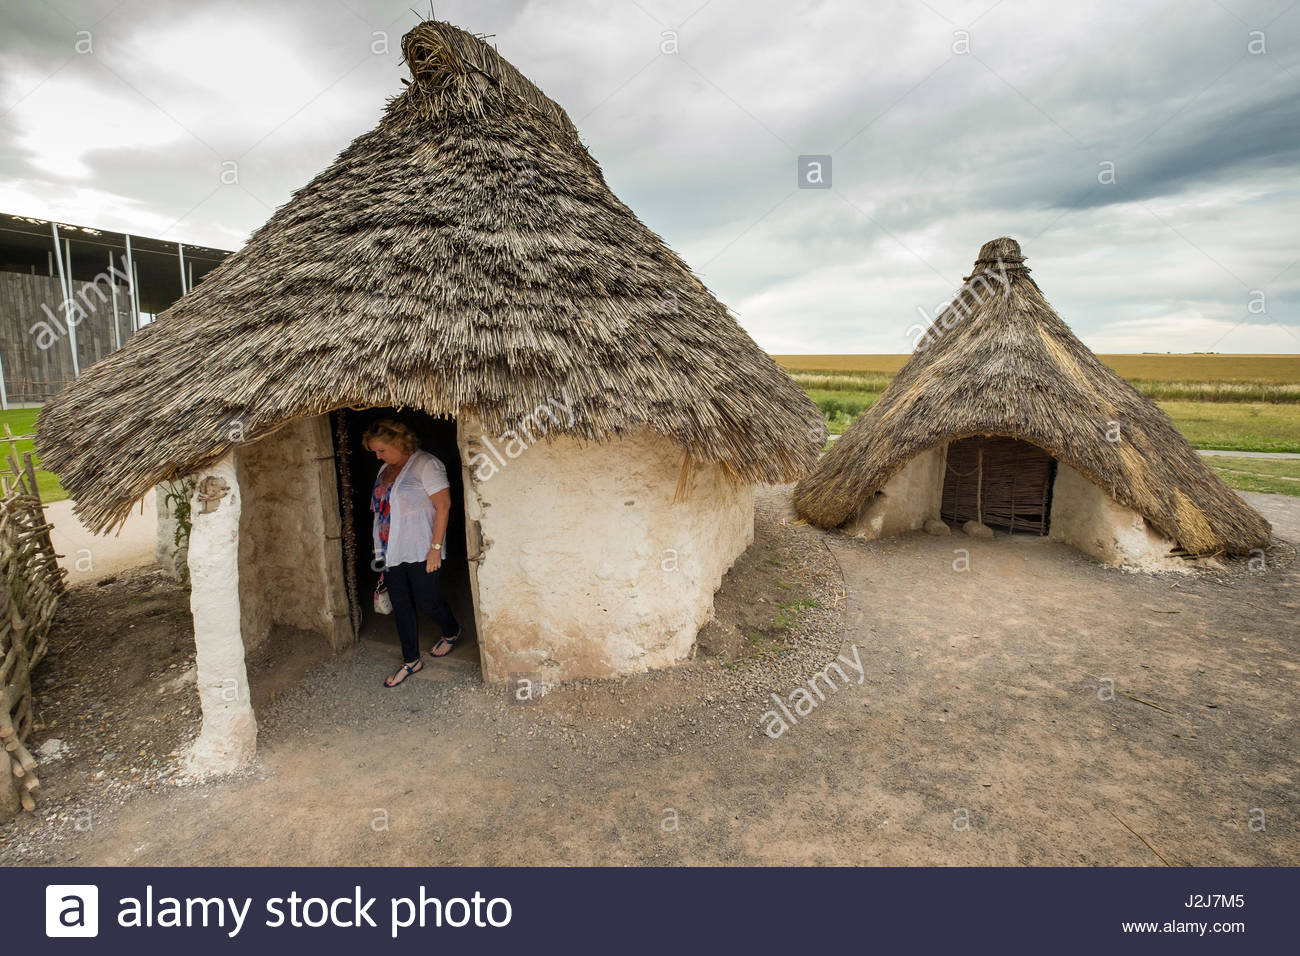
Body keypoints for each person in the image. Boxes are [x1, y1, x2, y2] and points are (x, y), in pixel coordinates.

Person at [363, 418, 462, 688]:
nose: (378, 456)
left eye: (381, 450)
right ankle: (411, 660)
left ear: (398, 443)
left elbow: (443, 505)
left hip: (420, 548)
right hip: (391, 549)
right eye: (375, 452)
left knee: (427, 601)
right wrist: (378, 550)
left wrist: (435, 549)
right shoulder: (385, 469)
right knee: (401, 605)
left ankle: (452, 630)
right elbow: (380, 510)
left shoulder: (426, 465)